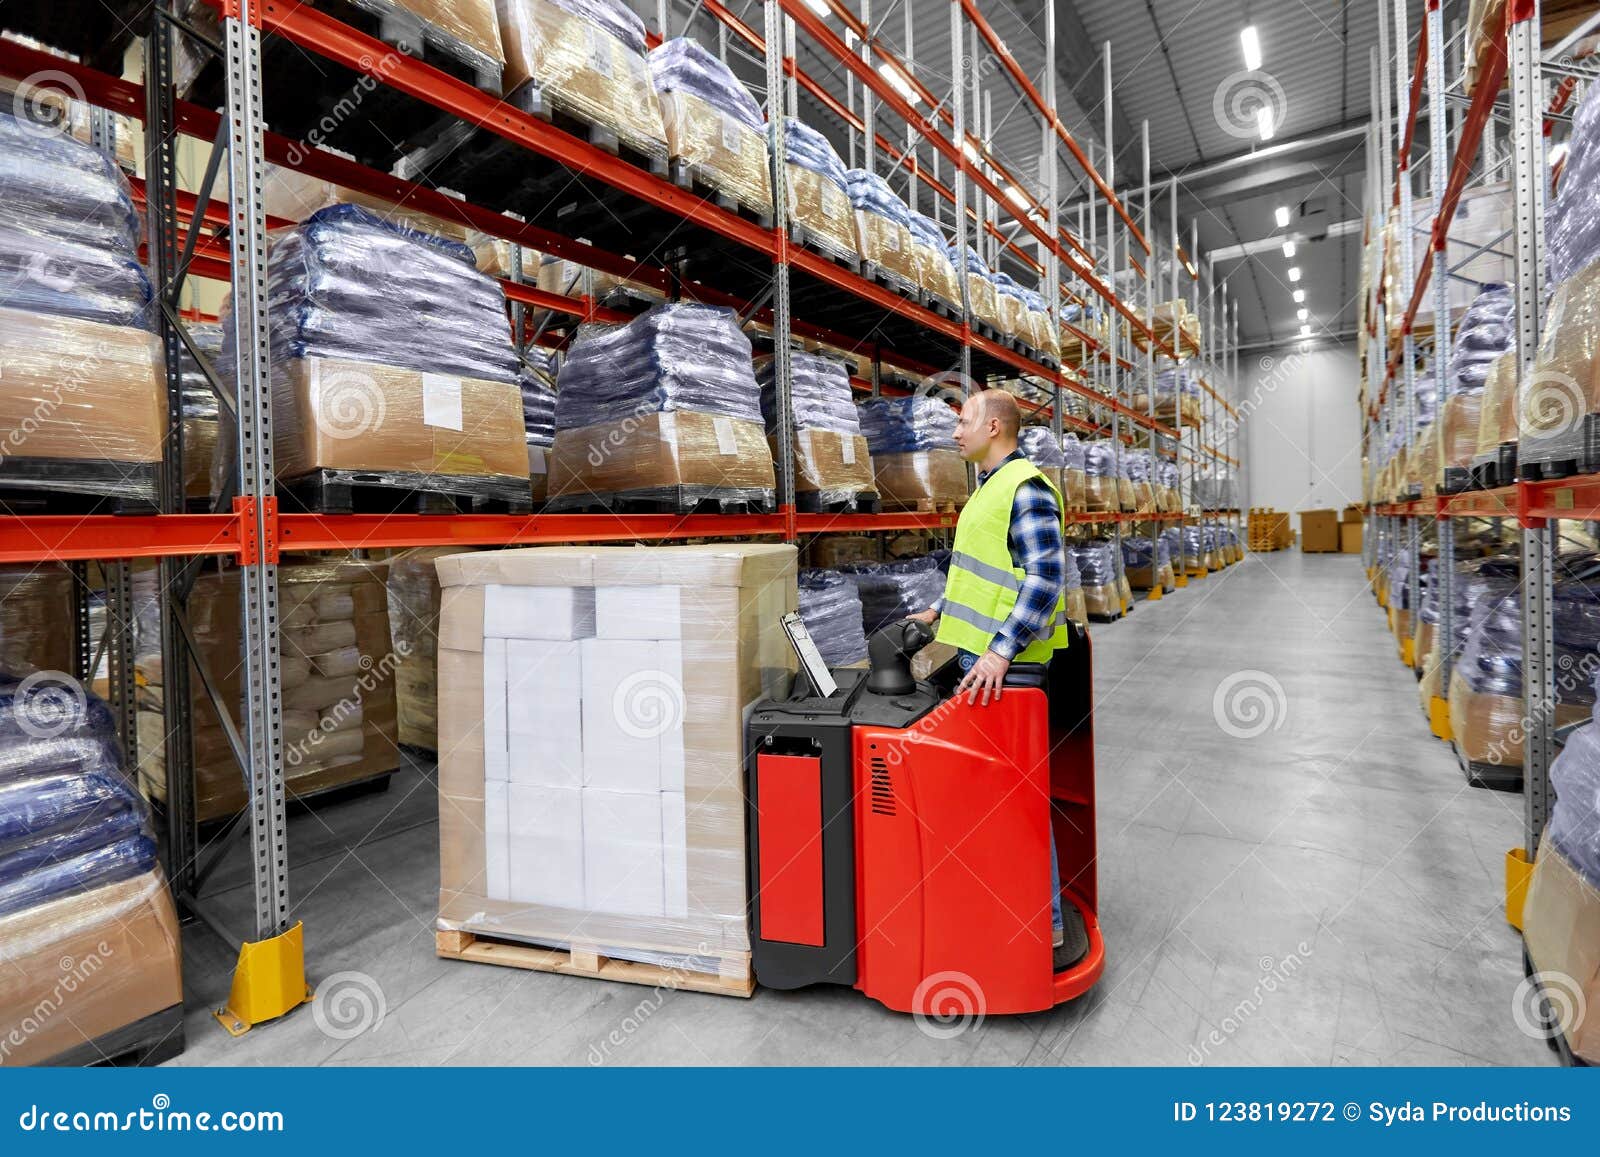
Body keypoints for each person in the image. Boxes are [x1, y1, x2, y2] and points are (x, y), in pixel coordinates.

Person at [907, 388, 1081, 970]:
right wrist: (938, 610)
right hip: (978, 662)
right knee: (990, 797)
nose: (955, 432)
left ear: (995, 427)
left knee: (1016, 800)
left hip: (1005, 671)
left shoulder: (1026, 488)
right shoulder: (989, 487)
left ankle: (1044, 925)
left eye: (964, 422)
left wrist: (1001, 651)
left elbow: (1043, 580)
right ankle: (999, 908)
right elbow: (982, 571)